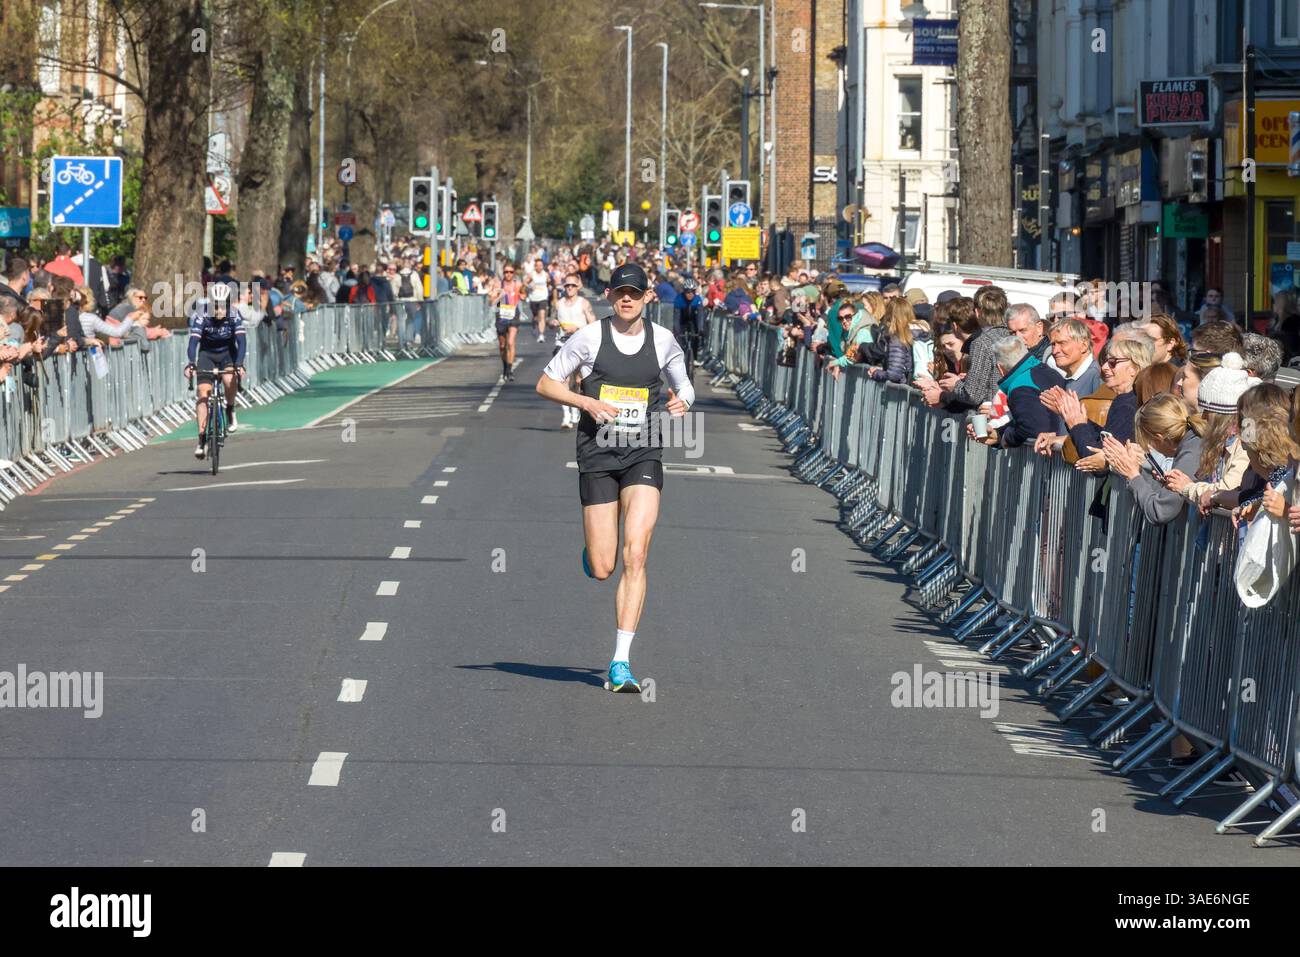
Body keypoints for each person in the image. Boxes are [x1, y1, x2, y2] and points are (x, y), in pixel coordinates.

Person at [534, 262, 694, 694]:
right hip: (597, 453)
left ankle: (620, 661)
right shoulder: (587, 338)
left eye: (635, 292)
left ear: (647, 298)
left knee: (636, 553)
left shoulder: (662, 341)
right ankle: (592, 552)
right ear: (609, 296)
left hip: (644, 449)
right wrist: (584, 403)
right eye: (620, 291)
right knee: (605, 566)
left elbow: (685, 385)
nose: (627, 298)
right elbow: (546, 385)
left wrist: (683, 401)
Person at [1164, 353, 1257, 515]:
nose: (1204, 416)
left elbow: (1230, 488)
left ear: (1223, 413)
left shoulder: (1245, 442)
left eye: (1208, 410)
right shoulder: (1222, 441)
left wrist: (1188, 488)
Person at [1054, 337, 1154, 472]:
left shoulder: (1127, 405)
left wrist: (1077, 425)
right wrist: (1076, 417)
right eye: (1106, 361)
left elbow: (1095, 462)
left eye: (1113, 362)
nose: (1105, 367)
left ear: (1134, 368)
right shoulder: (1130, 400)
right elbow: (1104, 442)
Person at [1103, 393, 1203, 525]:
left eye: (1147, 440)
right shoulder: (1191, 444)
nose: (1148, 446)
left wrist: (1133, 476)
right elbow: (1164, 499)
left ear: (1159, 437)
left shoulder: (1192, 451)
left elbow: (1160, 512)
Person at [184, 291, 246, 459]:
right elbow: (193, 343)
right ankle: (201, 438)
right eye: (215, 306)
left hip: (227, 354)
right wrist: (191, 363)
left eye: (222, 307)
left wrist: (239, 364)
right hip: (207, 355)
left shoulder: (234, 314)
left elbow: (241, 342)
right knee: (203, 393)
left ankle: (230, 408)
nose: (219, 311)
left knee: (228, 379)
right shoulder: (201, 314)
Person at [549, 274, 597, 429]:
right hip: (561, 344)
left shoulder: (584, 304)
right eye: (567, 286)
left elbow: (594, 326)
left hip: (579, 346)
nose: (570, 288)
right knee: (561, 380)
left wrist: (578, 328)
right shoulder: (558, 304)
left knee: (577, 381)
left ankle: (575, 407)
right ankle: (566, 416)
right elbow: (551, 320)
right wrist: (553, 323)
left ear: (578, 287)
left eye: (573, 285)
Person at [491, 264, 524, 382]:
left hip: (513, 314)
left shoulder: (518, 284)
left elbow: (524, 296)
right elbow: (491, 301)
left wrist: (522, 292)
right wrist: (499, 296)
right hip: (501, 315)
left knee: (510, 343)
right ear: (503, 273)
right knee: (502, 345)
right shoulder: (498, 284)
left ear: (513, 273)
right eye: (506, 272)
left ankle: (510, 371)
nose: (508, 274)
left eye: (511, 272)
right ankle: (505, 367)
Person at [525, 257, 552, 343]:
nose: (539, 267)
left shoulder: (546, 274)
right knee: (535, 317)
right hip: (533, 298)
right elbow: (525, 282)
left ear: (543, 266)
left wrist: (547, 289)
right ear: (535, 266)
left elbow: (548, 282)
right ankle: (534, 326)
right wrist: (530, 286)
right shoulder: (532, 274)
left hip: (543, 298)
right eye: (537, 265)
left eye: (541, 265)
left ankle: (541, 335)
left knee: (542, 316)